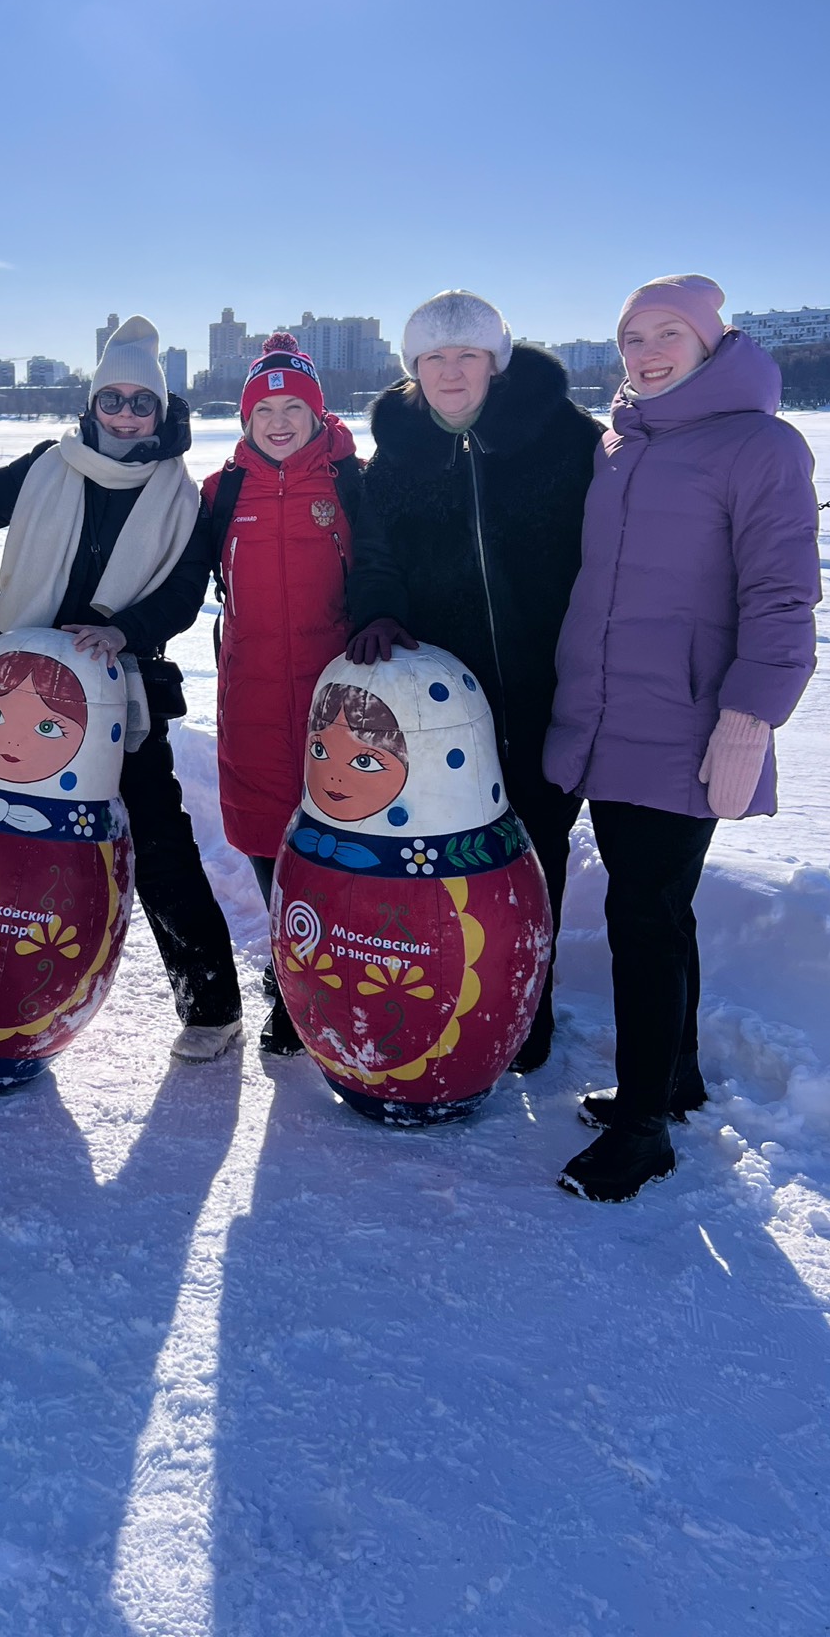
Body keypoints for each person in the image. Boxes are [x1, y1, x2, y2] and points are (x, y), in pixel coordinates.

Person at [545, 275, 819, 1201]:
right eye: (632, 337)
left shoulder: (761, 446)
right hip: (606, 715)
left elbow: (783, 599)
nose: (648, 351)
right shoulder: (622, 442)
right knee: (654, 905)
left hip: (688, 723)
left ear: (712, 342)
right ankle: (676, 1080)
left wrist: (749, 719)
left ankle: (642, 1130)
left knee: (642, 918)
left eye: (669, 334)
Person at [0, 314, 244, 1062]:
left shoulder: (180, 495)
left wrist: (123, 629)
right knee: (8, 833)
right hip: (25, 686)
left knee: (158, 843)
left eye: (141, 402)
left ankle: (211, 1003)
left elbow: (185, 592)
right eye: (112, 399)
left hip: (121, 690)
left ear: (161, 411)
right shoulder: (46, 465)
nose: (126, 414)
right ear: (91, 404)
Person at [348, 291, 602, 1074]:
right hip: (444, 701)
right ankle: (457, 986)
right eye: (433, 359)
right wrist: (382, 613)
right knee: (453, 850)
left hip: (549, 683)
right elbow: (377, 553)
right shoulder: (396, 454)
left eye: (467, 356)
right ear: (413, 371)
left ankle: (532, 1004)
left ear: (496, 362)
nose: (451, 373)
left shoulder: (569, 440)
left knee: (539, 849)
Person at [203, 333, 400, 1056]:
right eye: (265, 409)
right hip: (250, 691)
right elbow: (166, 572)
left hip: (340, 696)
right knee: (264, 834)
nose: (279, 421)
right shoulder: (222, 493)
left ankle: (344, 970)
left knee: (341, 836)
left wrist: (382, 616)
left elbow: (386, 561)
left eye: (294, 407)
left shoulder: (355, 482)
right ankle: (293, 983)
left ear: (319, 415)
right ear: (247, 419)